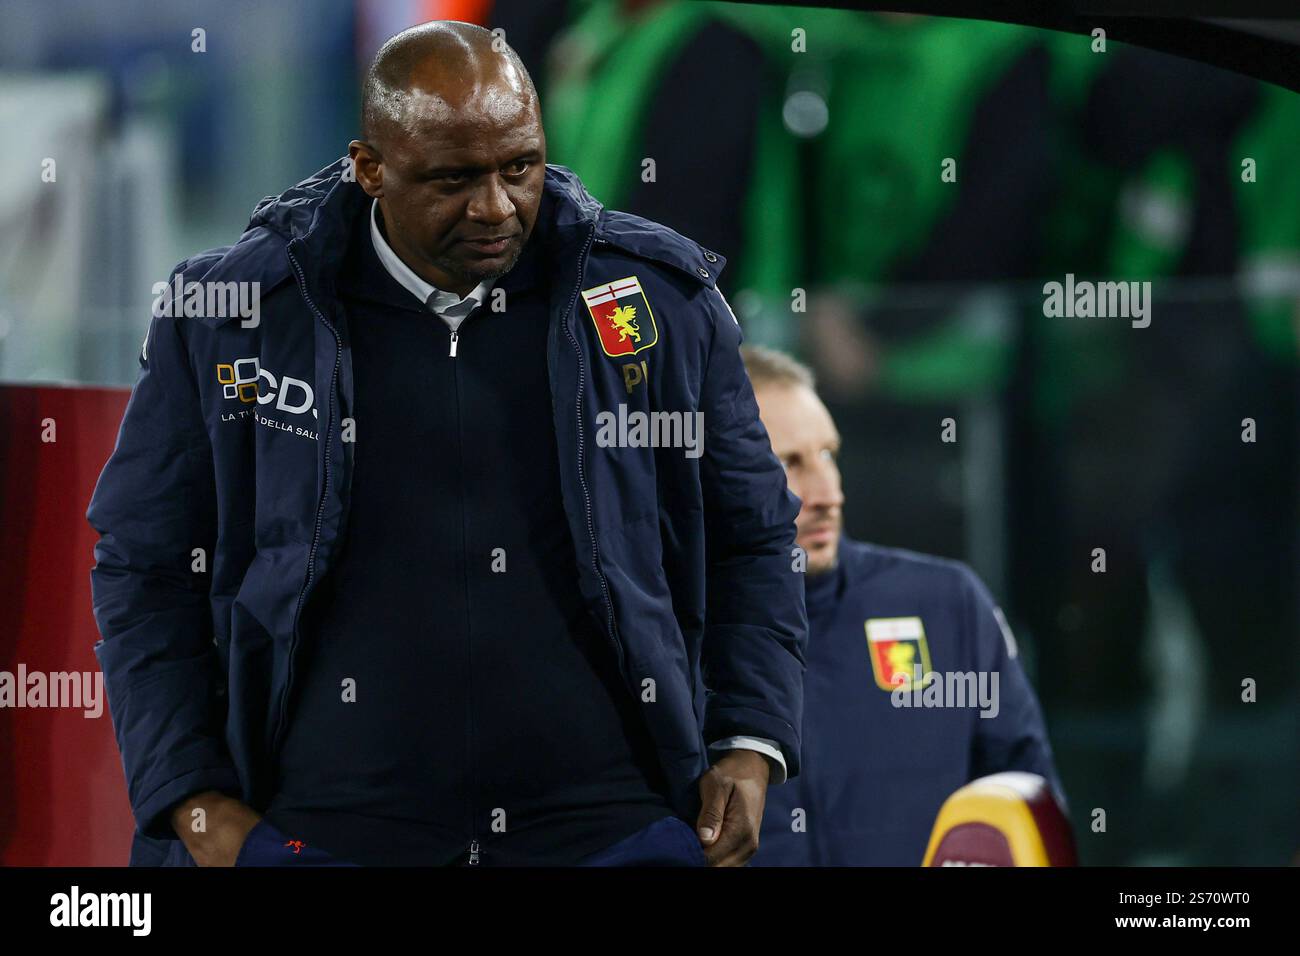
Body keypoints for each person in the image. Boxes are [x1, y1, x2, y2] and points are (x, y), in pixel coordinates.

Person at [87, 20, 805, 867]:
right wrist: (193, 798)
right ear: (370, 170)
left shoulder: (659, 302)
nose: (497, 207)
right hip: (321, 835)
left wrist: (751, 743)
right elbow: (144, 564)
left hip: (615, 830)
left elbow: (754, 537)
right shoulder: (234, 314)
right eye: (455, 179)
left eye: (520, 168)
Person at [739, 345, 1061, 866]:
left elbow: (1030, 807)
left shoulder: (944, 604)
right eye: (788, 463)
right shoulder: (666, 635)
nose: (827, 493)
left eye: (829, 455)